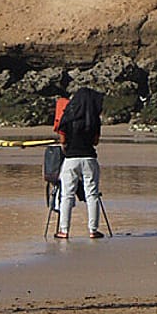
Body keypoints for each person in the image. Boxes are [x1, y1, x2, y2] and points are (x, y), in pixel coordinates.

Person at [55, 87, 105, 239]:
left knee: (67, 195)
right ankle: (93, 229)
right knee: (92, 194)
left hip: (71, 159)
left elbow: (62, 140)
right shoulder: (94, 119)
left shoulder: (68, 117)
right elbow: (95, 142)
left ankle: (64, 230)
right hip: (89, 158)